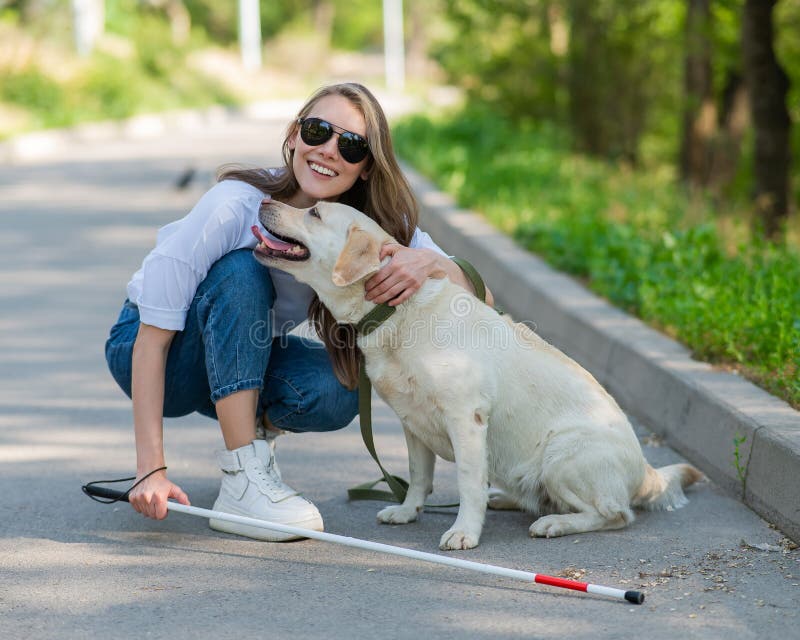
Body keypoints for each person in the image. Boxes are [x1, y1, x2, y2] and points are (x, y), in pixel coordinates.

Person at [105, 82, 491, 541]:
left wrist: (430, 262)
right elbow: (152, 339)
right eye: (317, 131)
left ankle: (248, 445)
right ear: (293, 136)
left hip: (239, 356)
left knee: (339, 389)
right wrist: (151, 468)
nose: (328, 150)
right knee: (241, 269)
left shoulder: (367, 231)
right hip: (163, 358)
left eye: (350, 145)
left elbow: (480, 303)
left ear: (366, 167)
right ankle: (244, 474)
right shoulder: (234, 205)